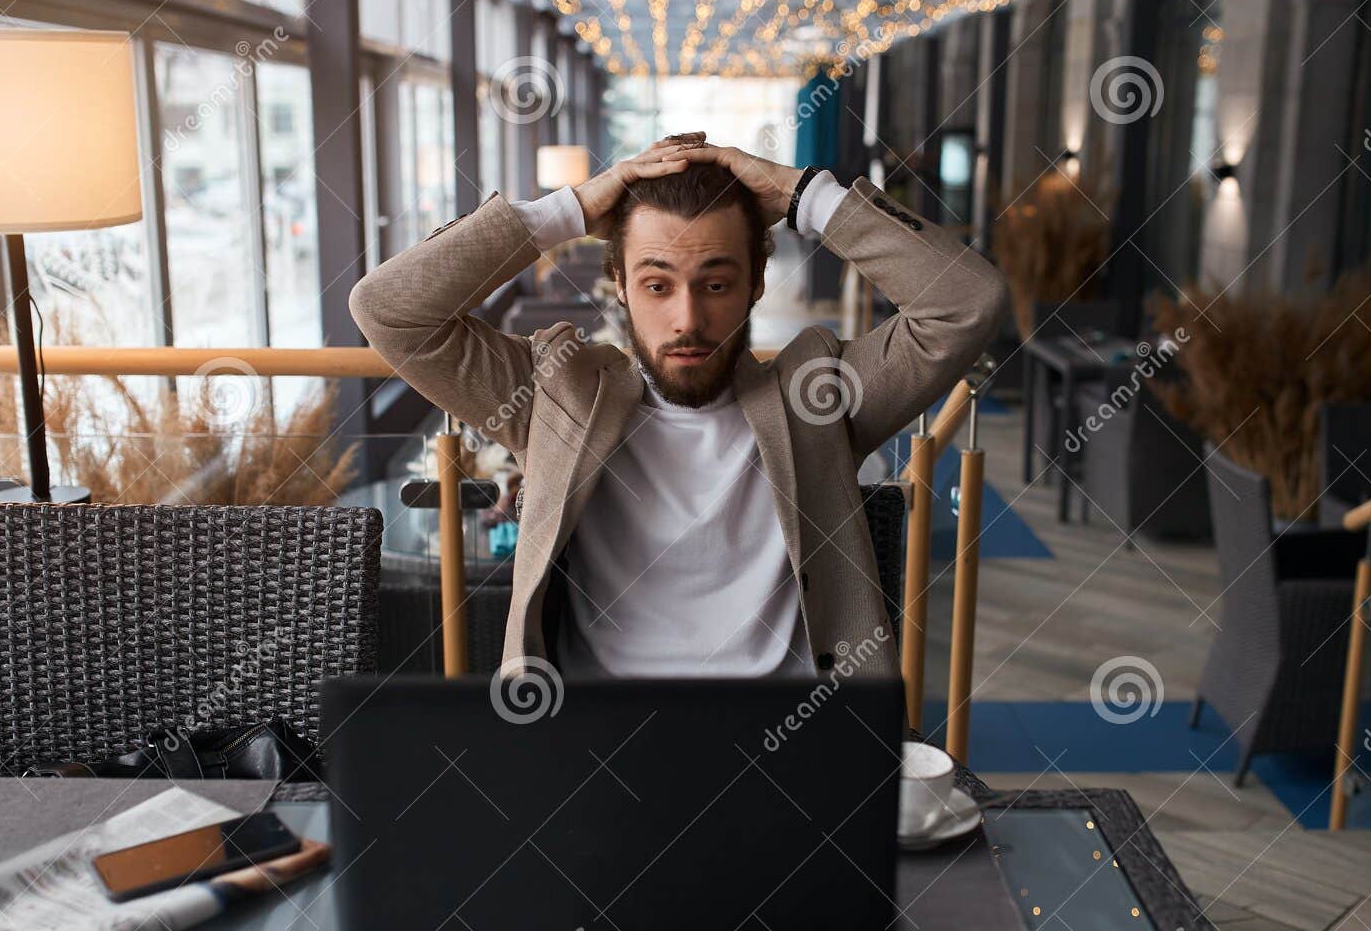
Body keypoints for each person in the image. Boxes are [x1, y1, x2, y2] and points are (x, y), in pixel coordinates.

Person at [349, 132, 1008, 679]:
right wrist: (570, 210)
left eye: (715, 283)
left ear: (755, 284)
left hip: (788, 740)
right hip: (596, 744)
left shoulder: (817, 396)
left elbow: (967, 304)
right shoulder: (556, 389)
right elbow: (390, 310)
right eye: (657, 284)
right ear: (620, 286)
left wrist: (809, 195)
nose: (687, 319)